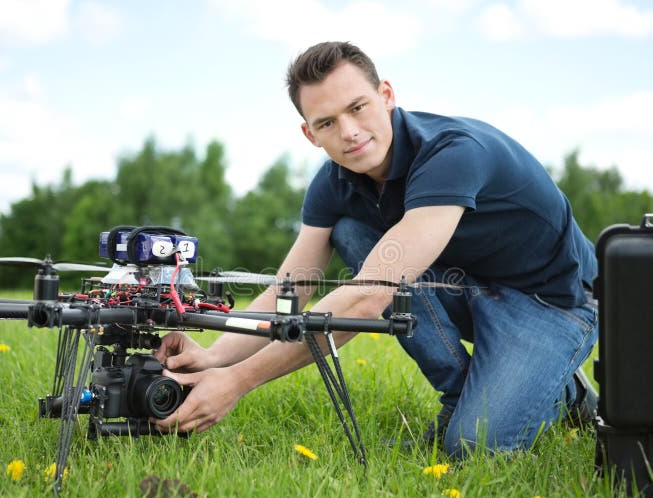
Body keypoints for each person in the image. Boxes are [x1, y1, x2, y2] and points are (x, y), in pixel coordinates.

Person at [152, 41, 598, 458]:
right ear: (310, 134)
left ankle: (565, 390)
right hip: (466, 285)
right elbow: (290, 292)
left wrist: (235, 381)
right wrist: (214, 356)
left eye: (357, 107)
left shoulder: (452, 152)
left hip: (552, 303)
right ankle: (462, 391)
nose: (349, 132)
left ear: (385, 95)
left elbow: (367, 301)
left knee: (472, 447)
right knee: (351, 232)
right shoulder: (334, 183)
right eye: (327, 122)